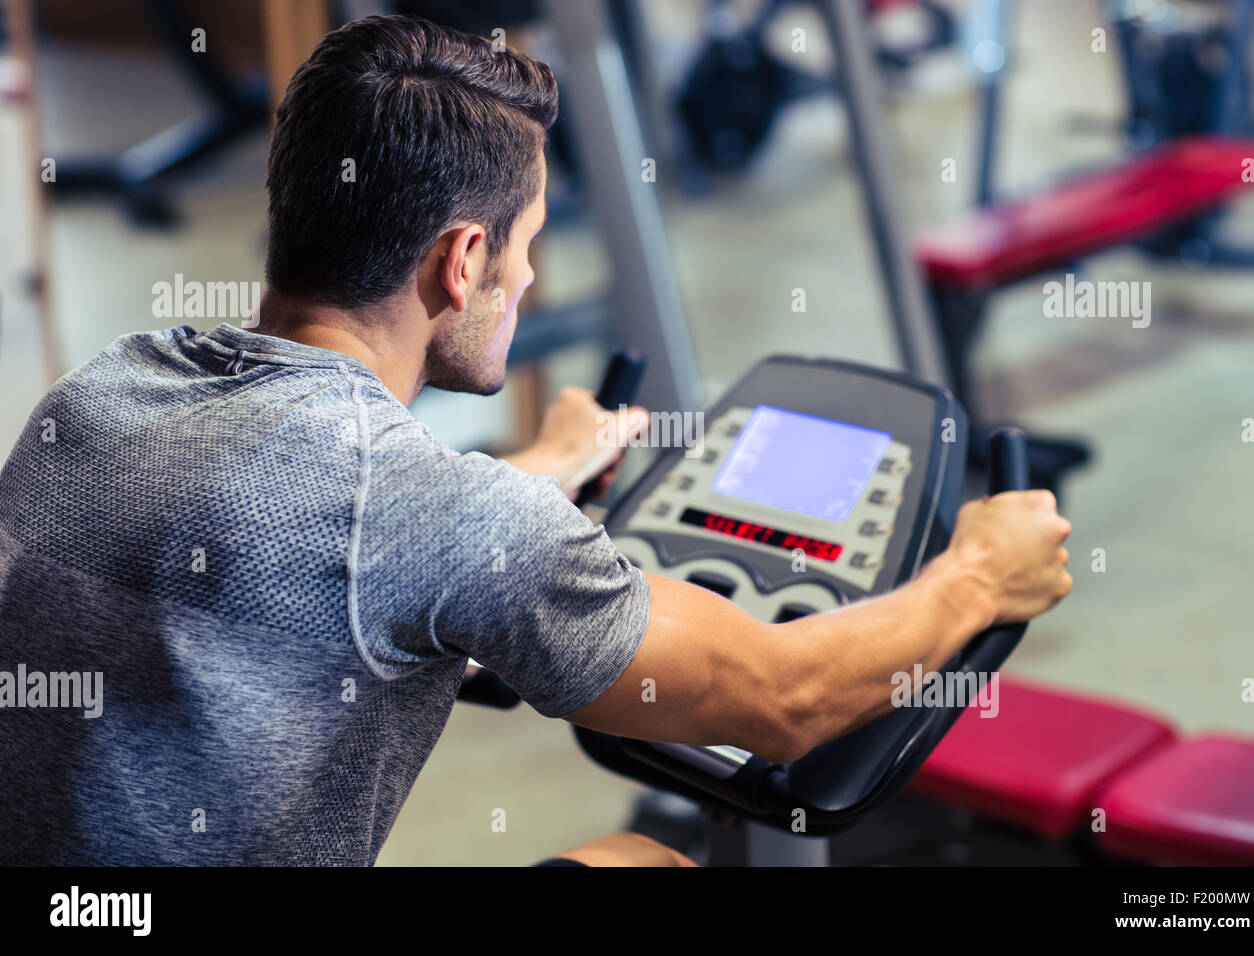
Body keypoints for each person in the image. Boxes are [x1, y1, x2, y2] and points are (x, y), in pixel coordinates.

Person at [0, 15, 1070, 867]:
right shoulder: (441, 518)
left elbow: (294, 543)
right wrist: (981, 571)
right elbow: (789, 698)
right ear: (463, 261)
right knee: (656, 863)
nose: (519, 282)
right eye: (525, 248)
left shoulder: (103, 390)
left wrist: (543, 469)